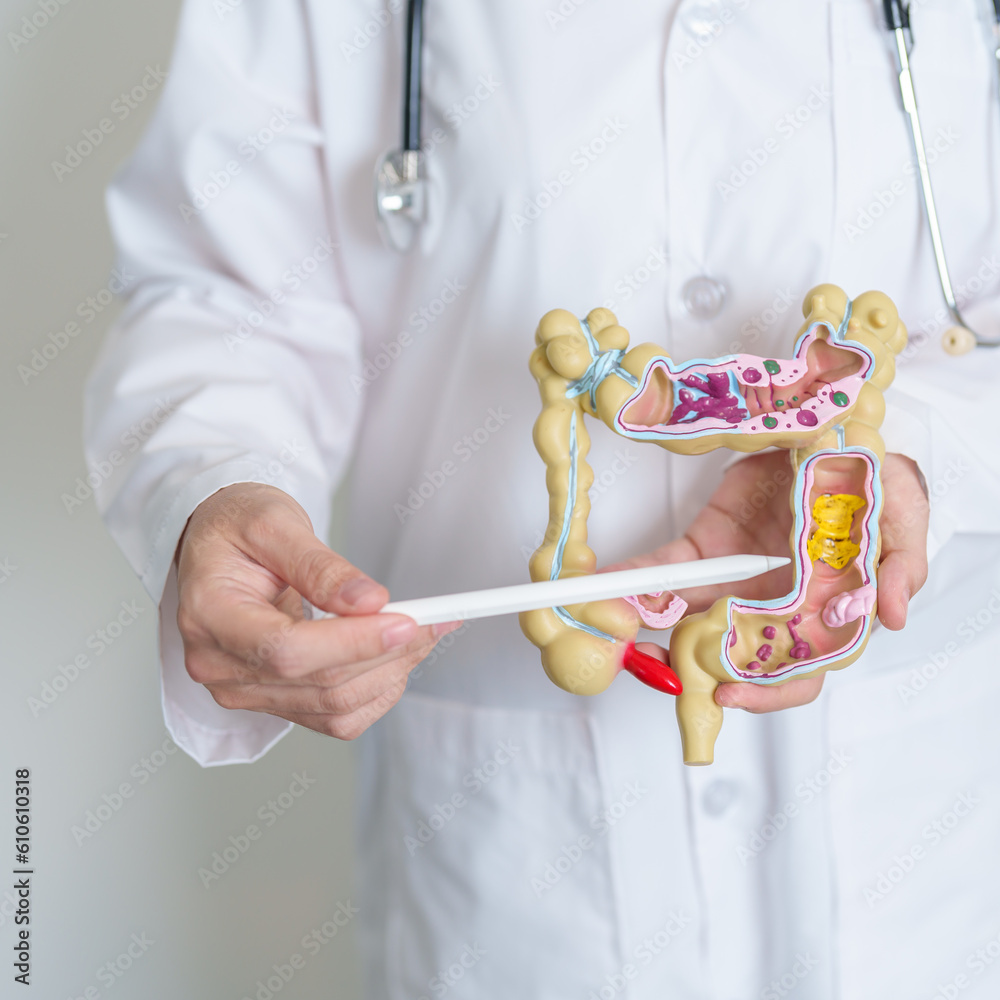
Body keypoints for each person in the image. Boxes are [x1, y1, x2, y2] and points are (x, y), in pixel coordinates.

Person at [84, 1, 1000, 997]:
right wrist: (217, 481)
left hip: (918, 833)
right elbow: (228, 288)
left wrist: (912, 464)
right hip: (516, 868)